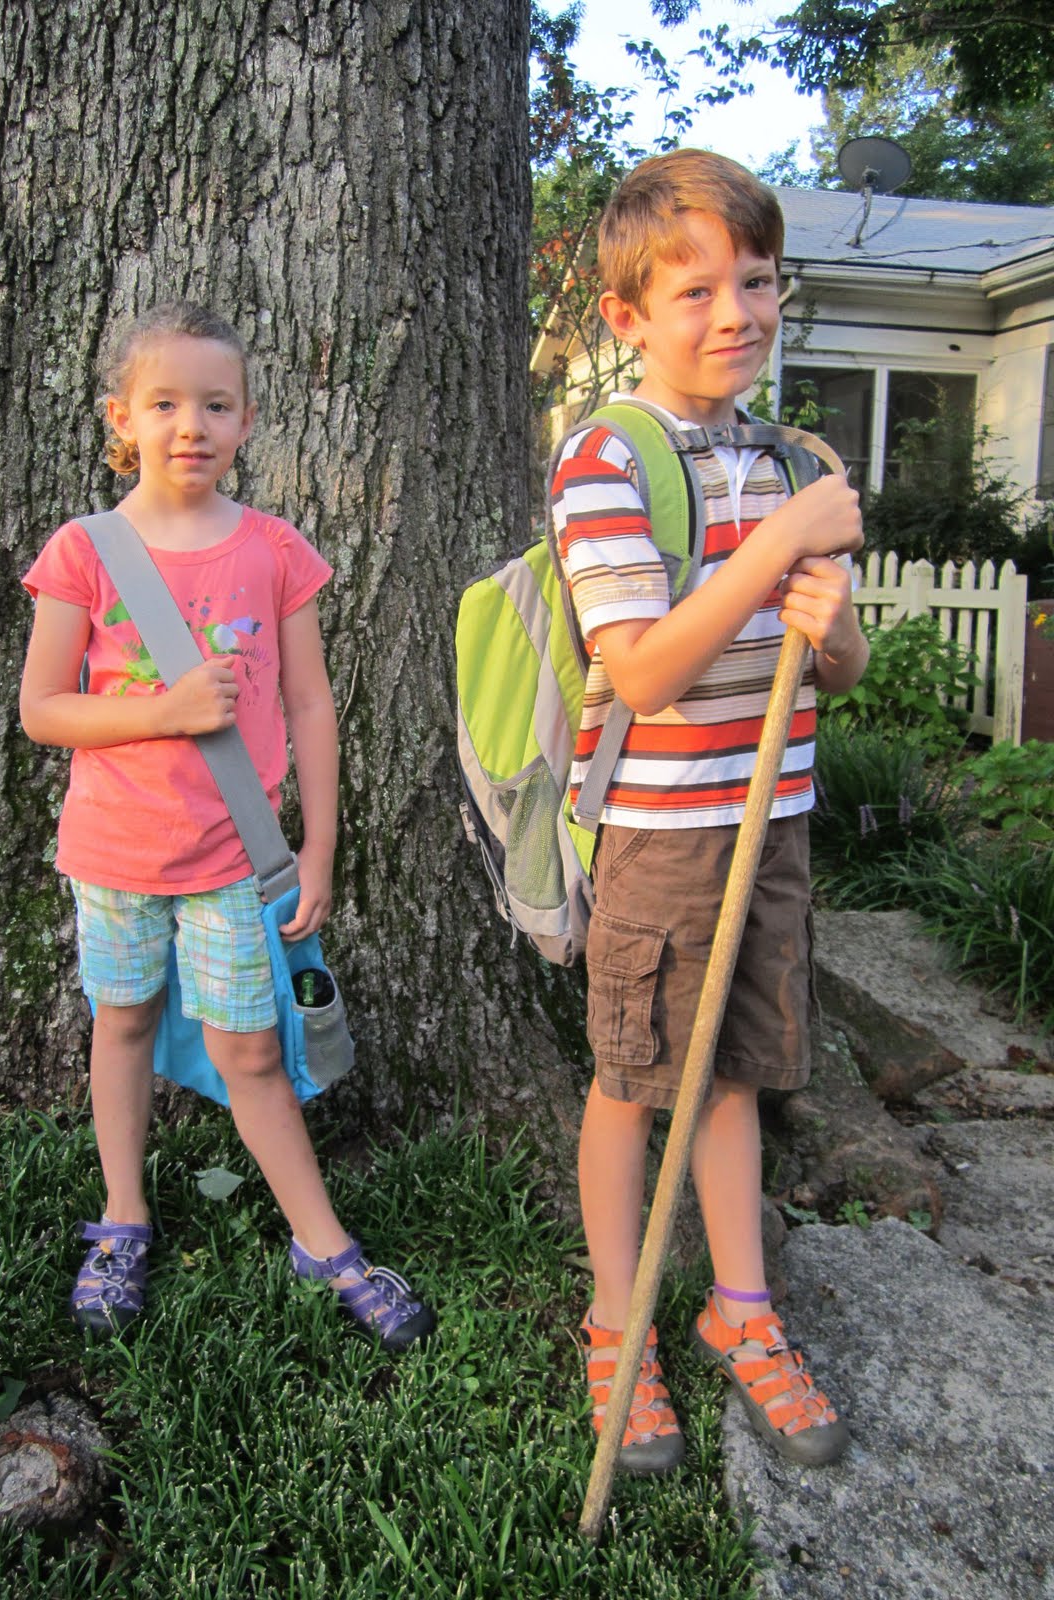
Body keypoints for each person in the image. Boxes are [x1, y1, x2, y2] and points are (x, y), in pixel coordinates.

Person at [19, 301, 433, 1351]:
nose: (189, 425)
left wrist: (322, 848)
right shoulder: (85, 552)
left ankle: (322, 1240)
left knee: (252, 1051)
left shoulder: (274, 549)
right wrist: (163, 711)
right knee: (121, 1023)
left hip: (236, 864)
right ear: (122, 419)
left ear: (248, 421)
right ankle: (121, 1220)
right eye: (164, 403)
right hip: (112, 854)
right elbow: (42, 709)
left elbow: (309, 705)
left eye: (215, 404)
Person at [551, 151, 868, 1472]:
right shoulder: (605, 460)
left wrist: (831, 615)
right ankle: (617, 1321)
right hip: (667, 833)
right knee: (635, 1081)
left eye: (757, 279)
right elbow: (644, 670)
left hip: (772, 818)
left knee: (735, 1071)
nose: (736, 311)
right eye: (697, 290)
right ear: (627, 316)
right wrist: (782, 546)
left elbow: (837, 669)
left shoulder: (794, 459)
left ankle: (743, 1310)